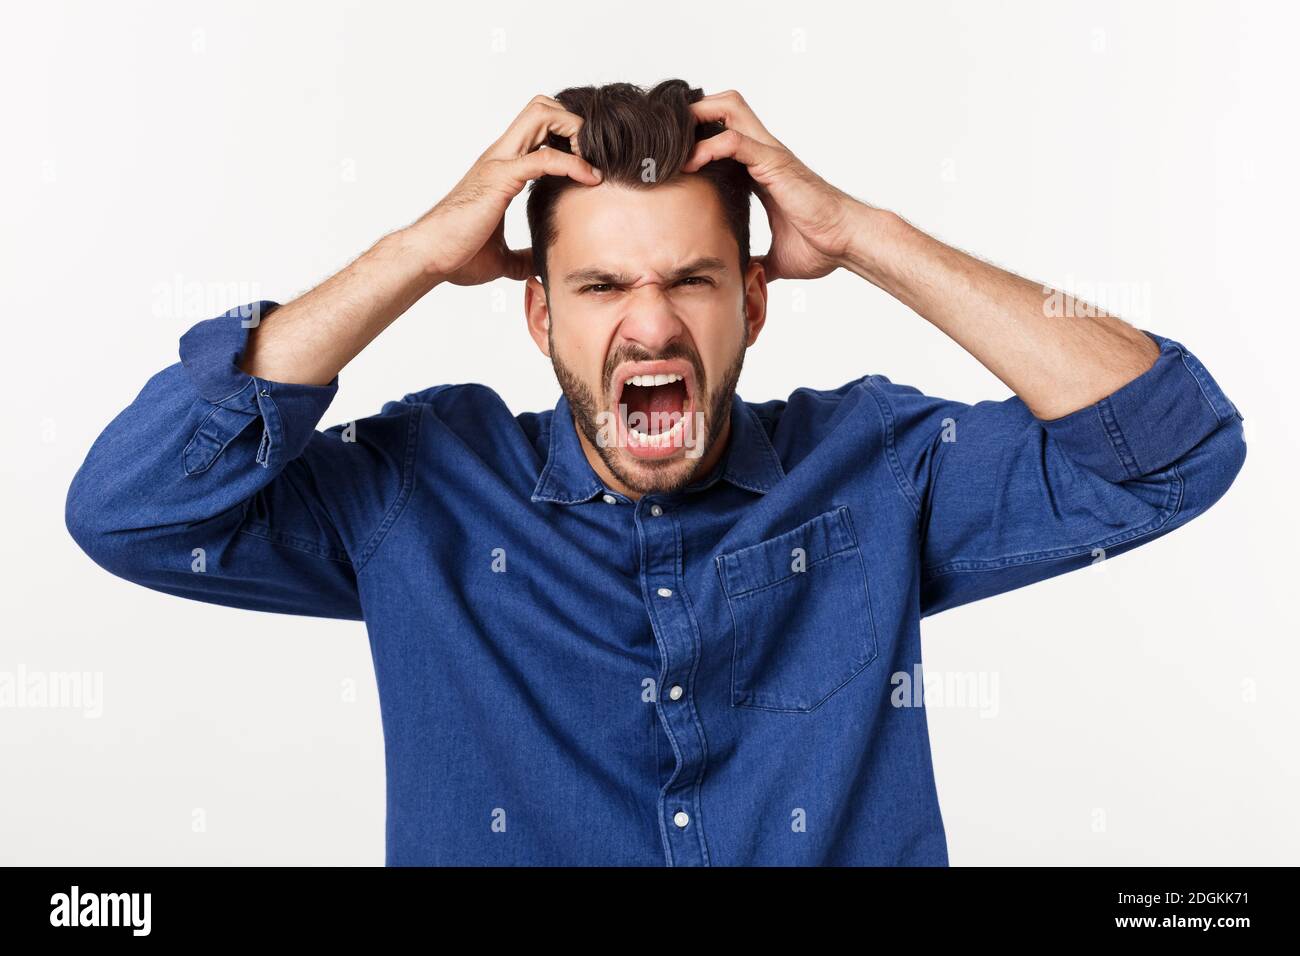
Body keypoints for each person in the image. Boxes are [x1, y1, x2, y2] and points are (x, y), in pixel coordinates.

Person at [65, 80, 1246, 866]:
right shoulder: (414, 491)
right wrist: (416, 252)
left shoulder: (875, 470)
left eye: (690, 278)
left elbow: (1170, 447)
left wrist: (859, 230)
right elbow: (132, 509)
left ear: (753, 300)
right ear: (537, 313)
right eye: (598, 286)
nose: (650, 323)